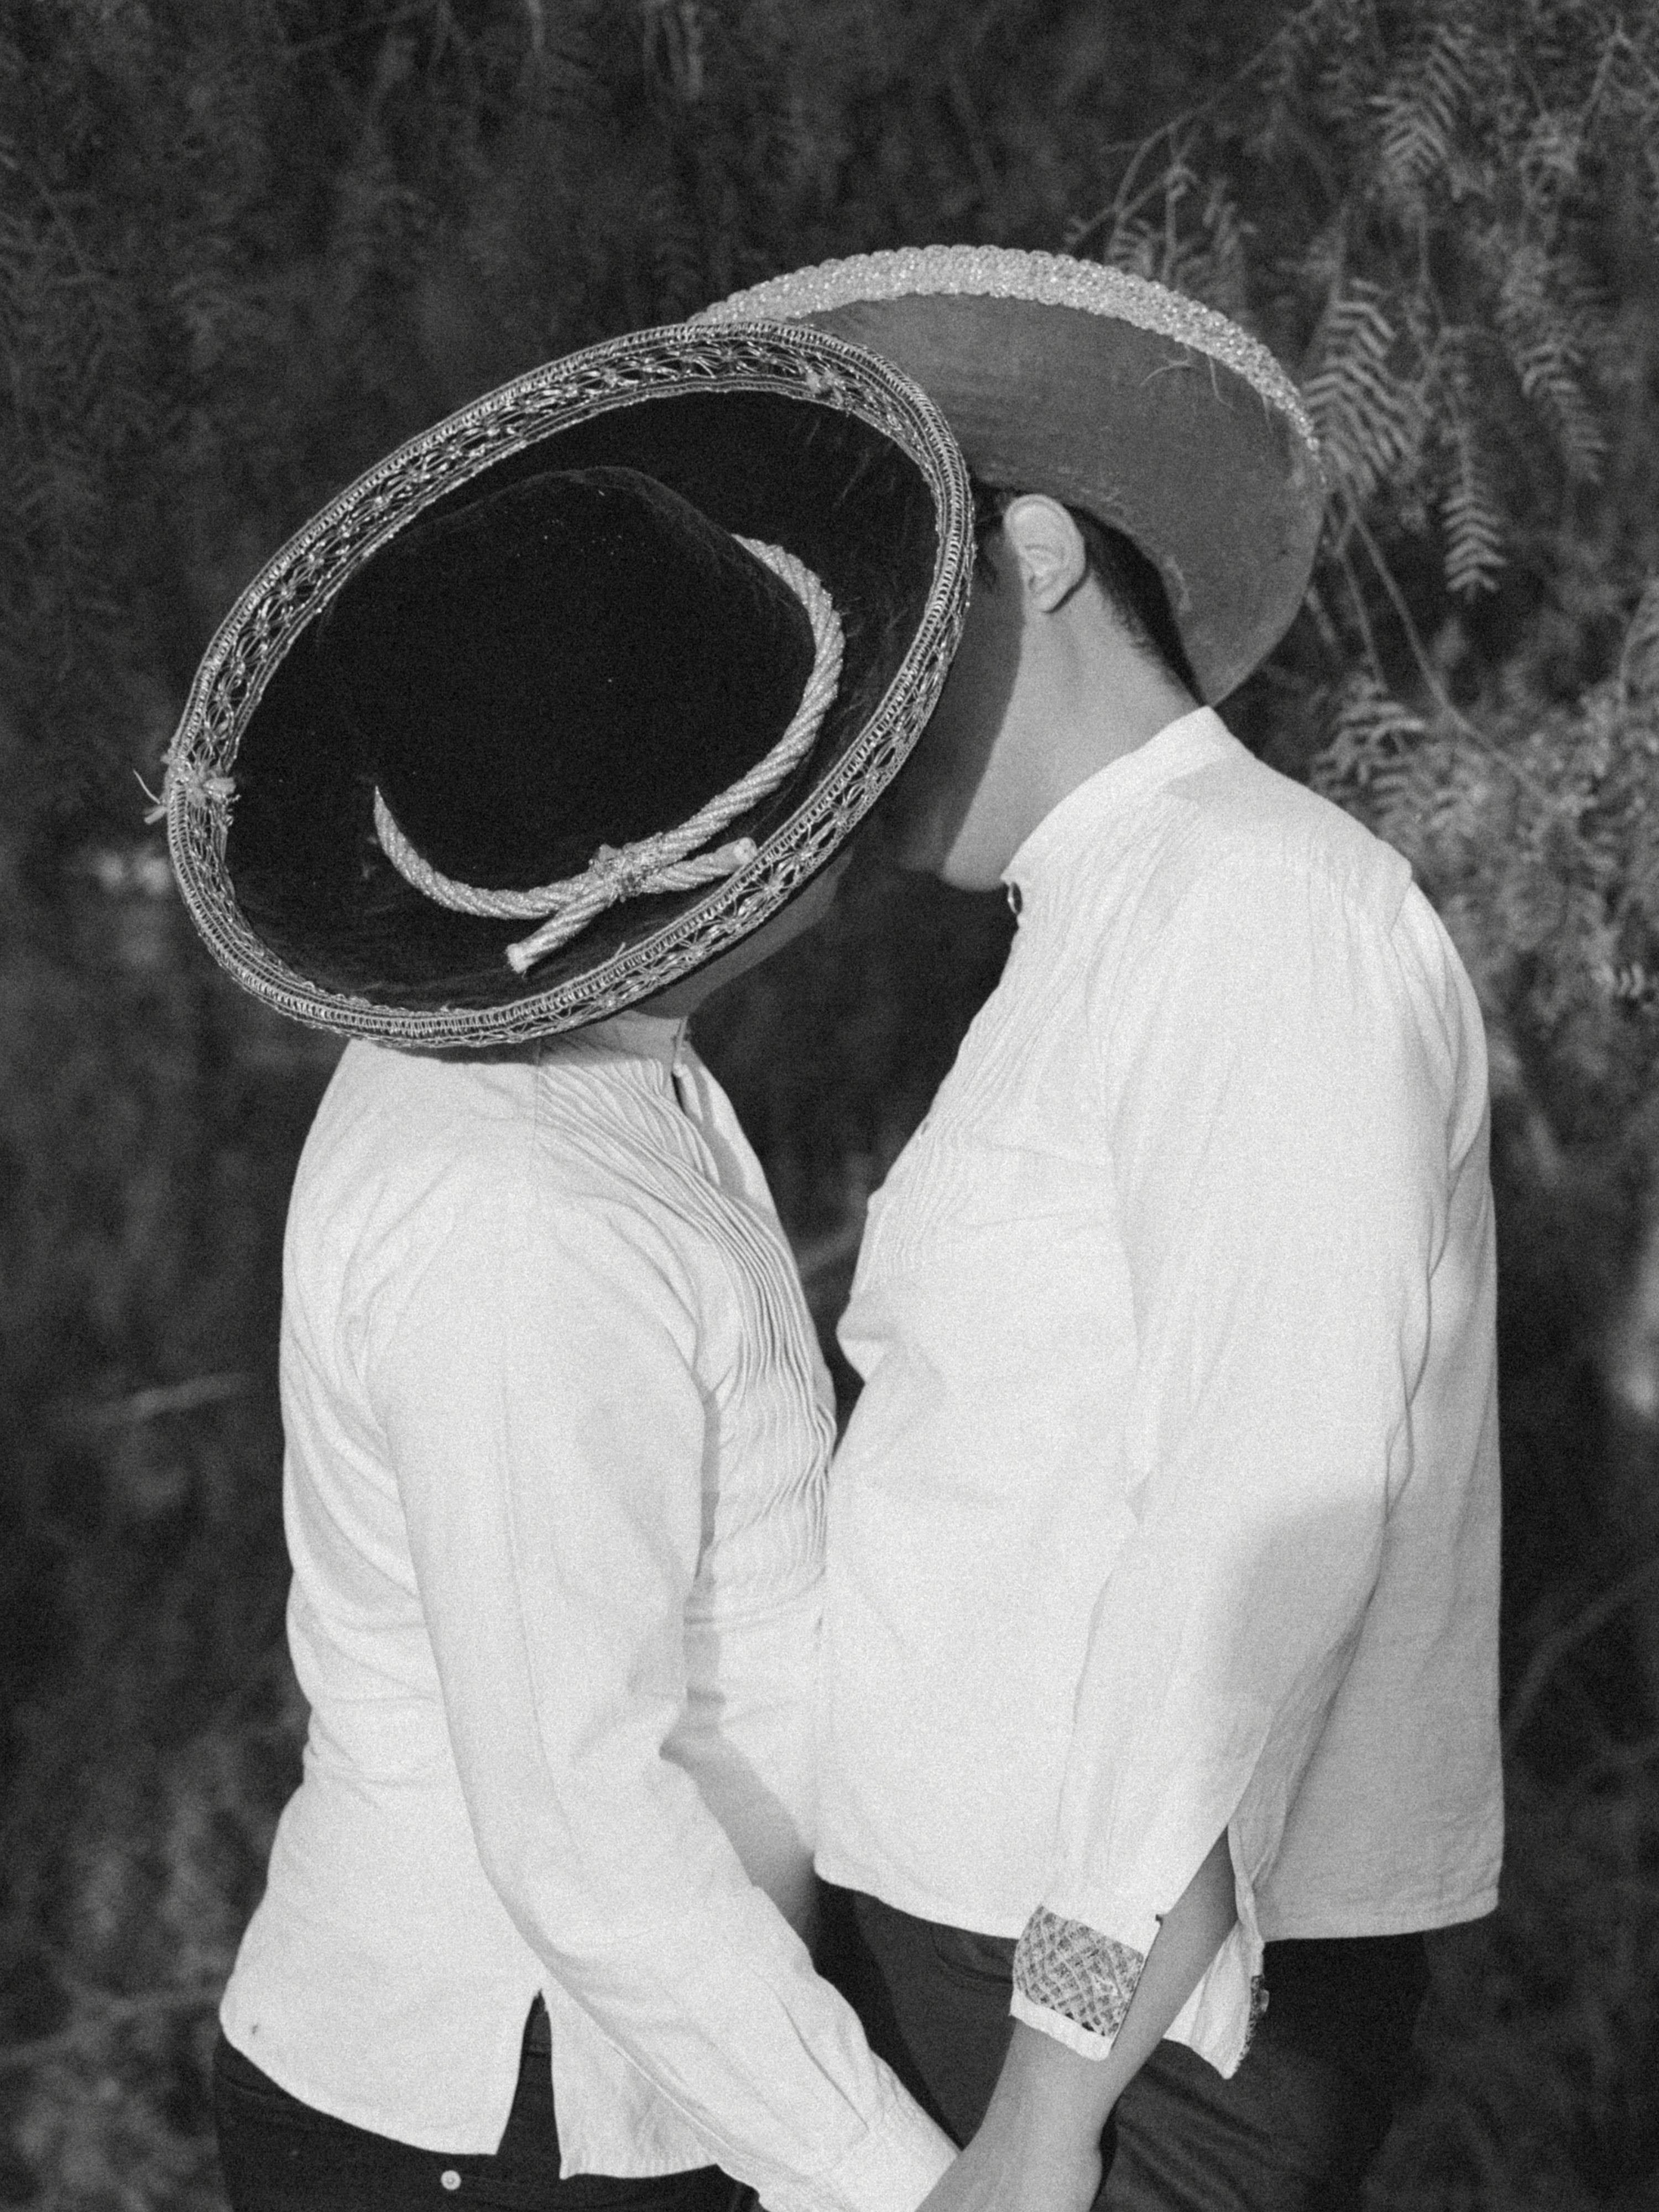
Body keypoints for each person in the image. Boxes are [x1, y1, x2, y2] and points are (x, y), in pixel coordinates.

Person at [697, 248, 1504, 2211]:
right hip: (993, 1972)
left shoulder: (1260, 911)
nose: (831, 723)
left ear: (1036, 552)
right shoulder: (1108, 915)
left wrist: (1050, 2100)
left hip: (1124, 2030)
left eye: (872, 626)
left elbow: (1262, 1524)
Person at [157, 321, 976, 2211]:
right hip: (506, 2106)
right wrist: (906, 2189)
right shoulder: (524, 1221)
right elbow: (579, 1827)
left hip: (618, 2077)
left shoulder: (595, 1084)